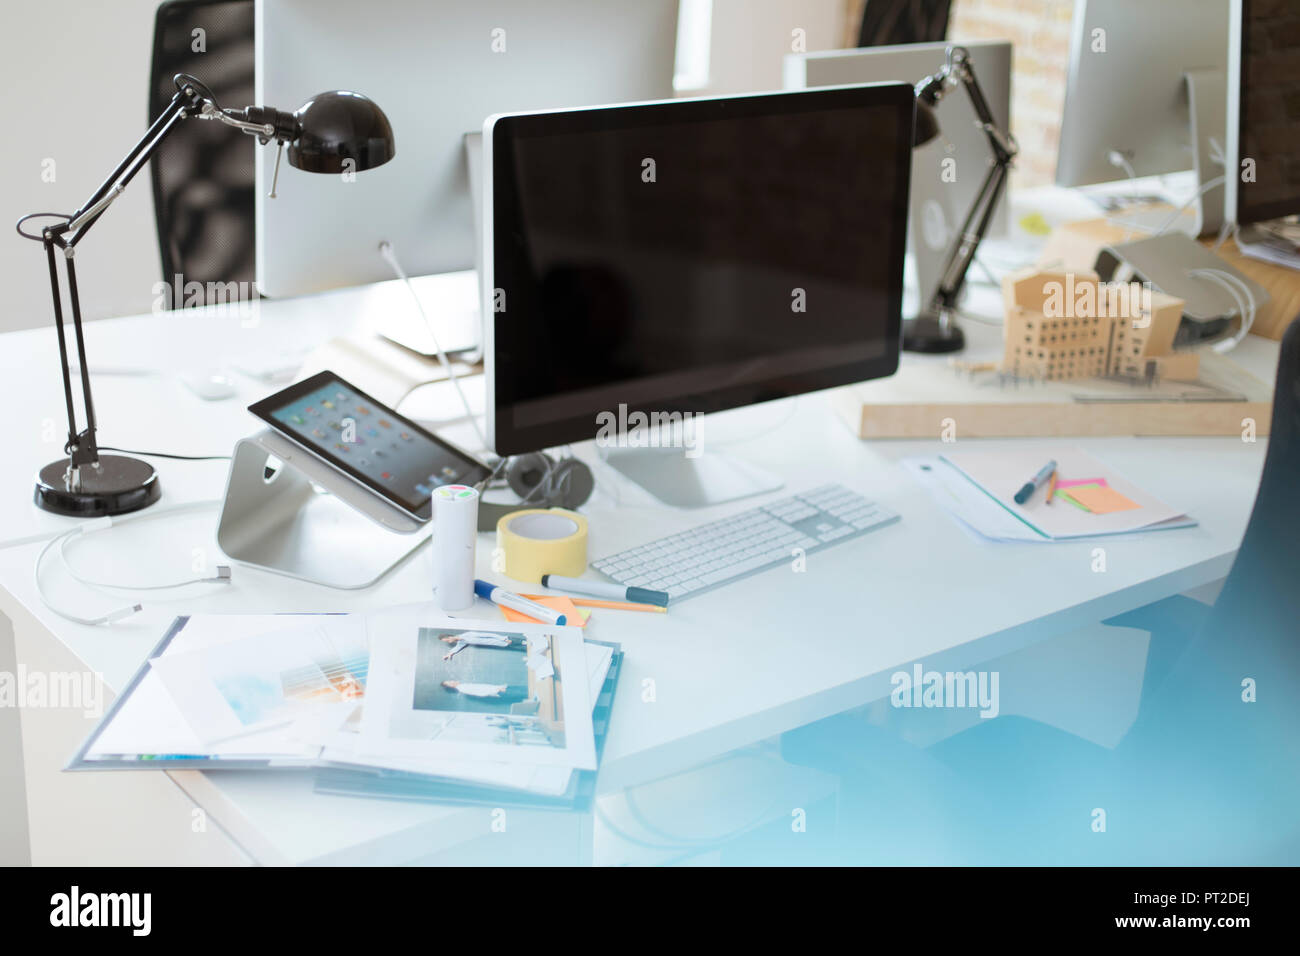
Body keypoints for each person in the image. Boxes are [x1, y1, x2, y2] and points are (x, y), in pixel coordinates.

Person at [441, 679, 529, 705]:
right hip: (498, 691)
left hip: (499, 688)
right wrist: (497, 690)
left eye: (449, 680)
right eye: (449, 683)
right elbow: (481, 692)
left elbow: (482, 687)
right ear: (451, 686)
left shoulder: (463, 686)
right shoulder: (463, 688)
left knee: (526, 691)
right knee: (525, 693)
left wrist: (498, 687)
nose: (452, 681)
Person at [440, 630, 514, 661]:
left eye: (448, 640)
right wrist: (448, 654)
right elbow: (457, 648)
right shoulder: (461, 642)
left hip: (507, 640)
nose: (449, 642)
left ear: (450, 637)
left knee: (523, 643)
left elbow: (488, 634)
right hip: (504, 645)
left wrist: (504, 639)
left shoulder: (467, 635)